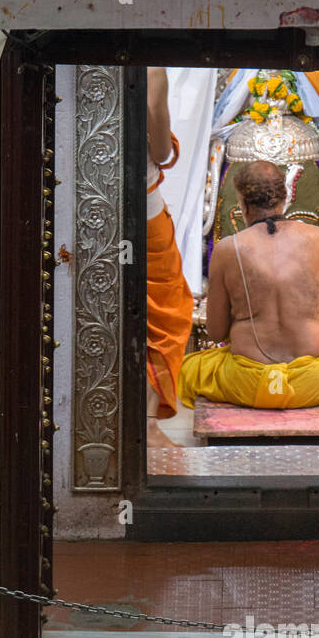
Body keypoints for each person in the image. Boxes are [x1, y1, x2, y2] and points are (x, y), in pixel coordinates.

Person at [178, 160, 319, 410]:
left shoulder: (226, 249)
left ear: (243, 203)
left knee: (190, 369)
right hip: (314, 381)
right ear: (286, 197)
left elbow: (216, 330)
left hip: (247, 382)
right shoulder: (318, 238)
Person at [145, 67, 194, 445]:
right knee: (165, 310)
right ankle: (146, 422)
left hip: (79, 207)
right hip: (143, 213)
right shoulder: (149, 67)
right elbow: (160, 151)